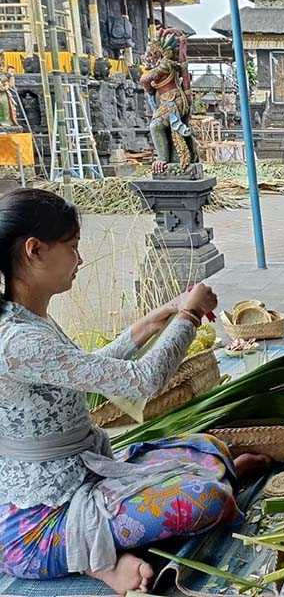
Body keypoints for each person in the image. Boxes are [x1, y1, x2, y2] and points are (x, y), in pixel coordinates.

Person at [0, 188, 267, 594]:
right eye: (72, 247)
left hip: (81, 475)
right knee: (206, 500)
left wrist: (156, 319)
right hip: (36, 526)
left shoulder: (26, 320)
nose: (79, 260)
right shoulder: (19, 341)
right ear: (35, 250)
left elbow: (88, 370)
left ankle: (113, 548)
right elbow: (143, 381)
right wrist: (189, 314)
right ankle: (98, 559)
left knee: (207, 446)